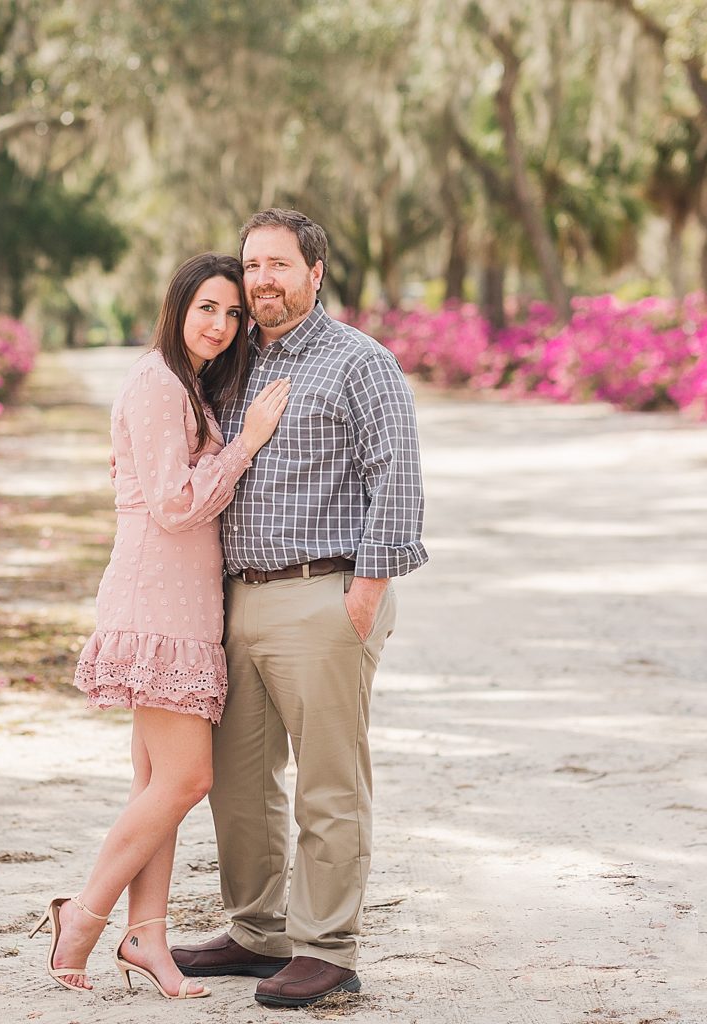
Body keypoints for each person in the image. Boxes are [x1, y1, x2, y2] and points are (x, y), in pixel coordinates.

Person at [170, 209, 427, 1008]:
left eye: (279, 265)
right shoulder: (233, 364)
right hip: (238, 601)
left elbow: (399, 479)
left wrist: (364, 595)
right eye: (252, 267)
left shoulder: (361, 363)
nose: (263, 281)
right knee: (238, 783)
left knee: (328, 784)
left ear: (316, 273)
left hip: (325, 596)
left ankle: (328, 950)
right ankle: (258, 931)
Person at [30, 253, 291, 999]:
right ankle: (81, 915)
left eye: (233, 313)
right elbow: (175, 504)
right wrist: (248, 443)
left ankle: (147, 938)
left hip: (181, 600)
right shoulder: (155, 384)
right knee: (188, 777)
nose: (221, 324)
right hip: (157, 602)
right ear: (178, 307)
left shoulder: (184, 387)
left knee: (156, 784)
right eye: (207, 307)